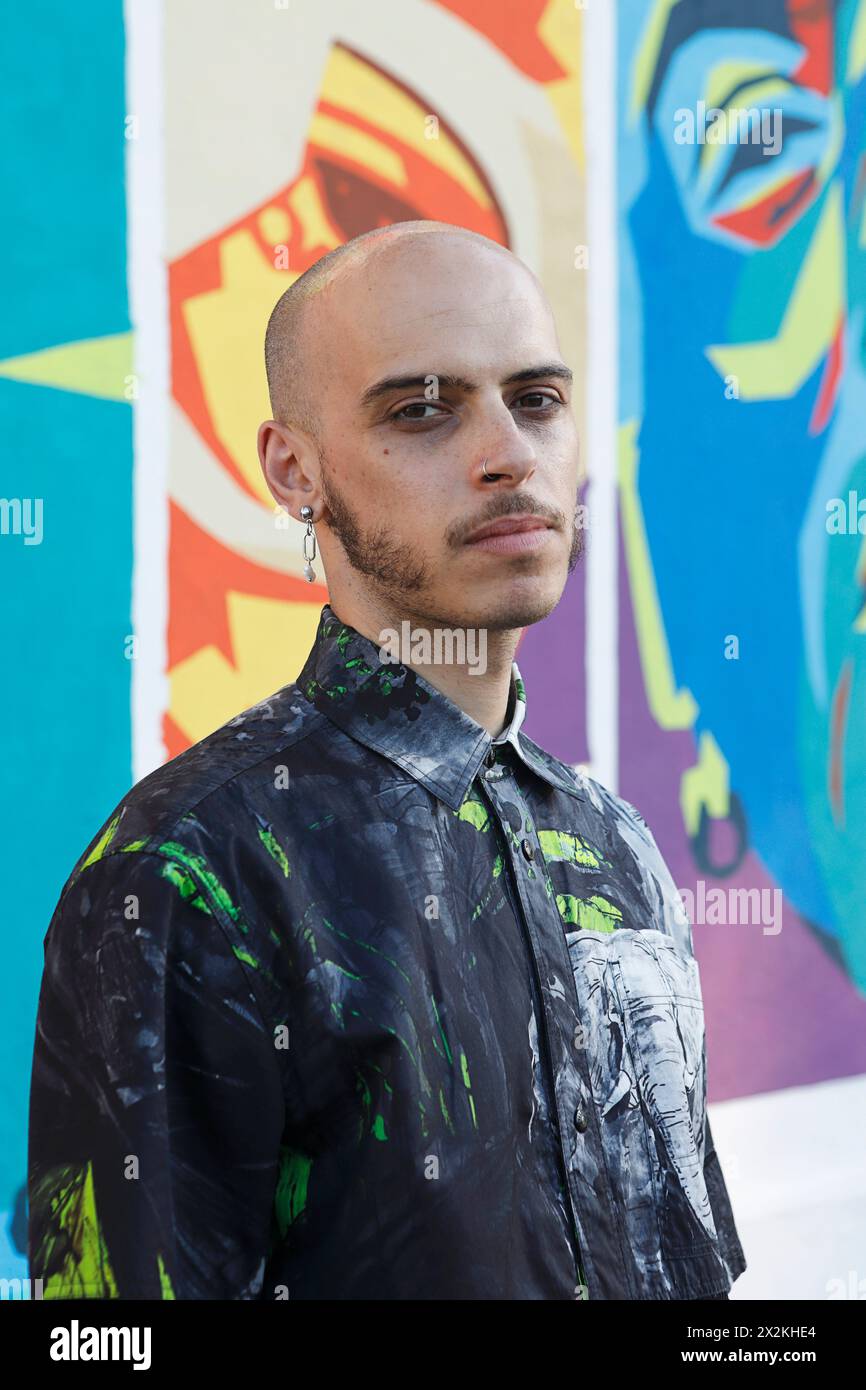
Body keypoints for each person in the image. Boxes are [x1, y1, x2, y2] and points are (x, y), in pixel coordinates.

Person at [28, 219, 746, 1299]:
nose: (507, 453)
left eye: (535, 400)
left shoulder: (613, 844)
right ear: (293, 470)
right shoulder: (187, 876)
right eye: (421, 410)